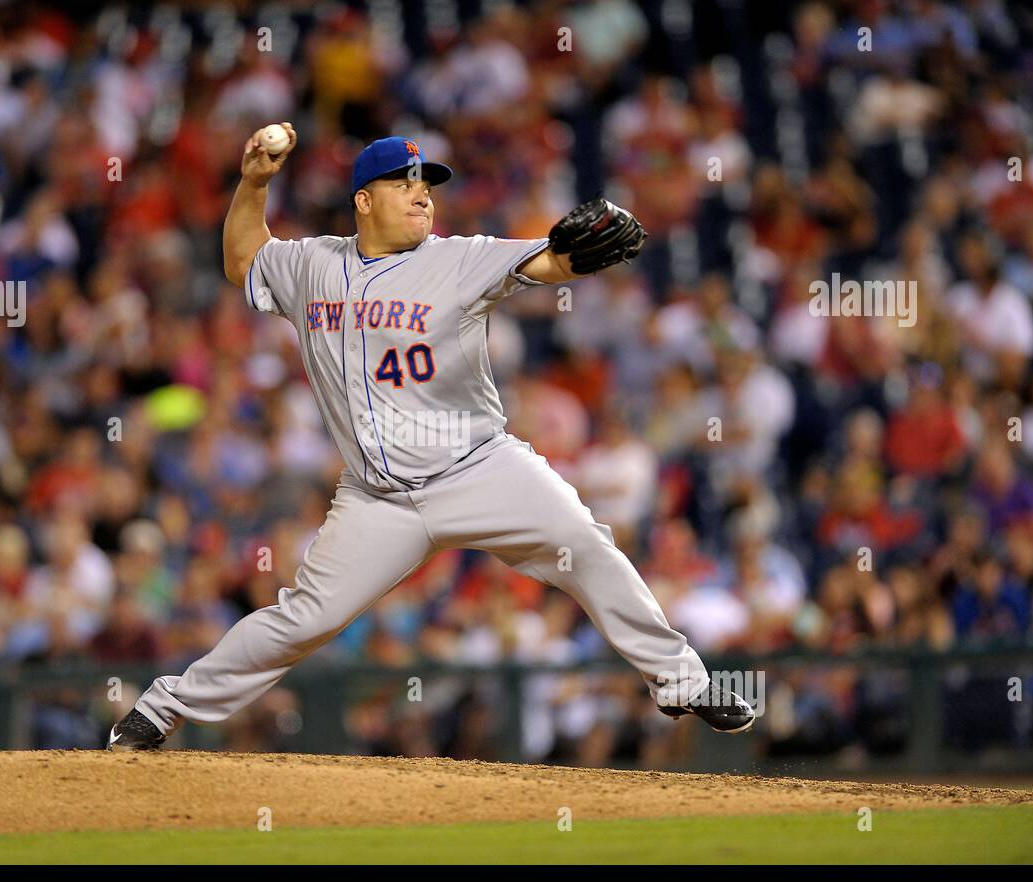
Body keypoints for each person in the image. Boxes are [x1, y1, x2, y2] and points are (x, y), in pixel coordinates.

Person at [108, 127, 754, 751]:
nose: (423, 195)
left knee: (584, 542)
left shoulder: (461, 258)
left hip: (479, 468)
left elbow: (551, 258)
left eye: (428, 185)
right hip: (377, 499)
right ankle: (161, 709)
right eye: (403, 183)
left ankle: (683, 681)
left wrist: (572, 255)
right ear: (363, 200)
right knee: (303, 617)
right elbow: (244, 259)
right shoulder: (312, 265)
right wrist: (252, 183)